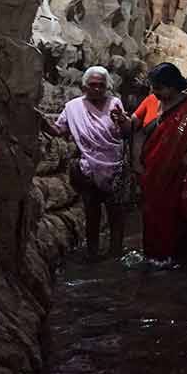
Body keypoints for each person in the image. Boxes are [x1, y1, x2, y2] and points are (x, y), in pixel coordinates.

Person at [41, 66, 134, 260]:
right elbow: (59, 130)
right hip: (88, 168)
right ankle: (92, 253)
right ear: (85, 87)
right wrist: (39, 120)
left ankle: (115, 254)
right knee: (92, 213)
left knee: (116, 214)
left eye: (101, 85)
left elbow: (126, 133)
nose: (97, 89)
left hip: (115, 167)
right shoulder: (73, 107)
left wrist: (124, 121)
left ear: (107, 86)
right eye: (93, 85)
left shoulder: (114, 103)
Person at [134, 62, 187, 263]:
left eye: (159, 88)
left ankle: (185, 264)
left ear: (173, 86)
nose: (156, 92)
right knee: (155, 217)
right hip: (155, 174)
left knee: (185, 216)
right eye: (154, 88)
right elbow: (137, 129)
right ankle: (156, 258)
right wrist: (136, 161)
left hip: (184, 174)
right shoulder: (150, 102)